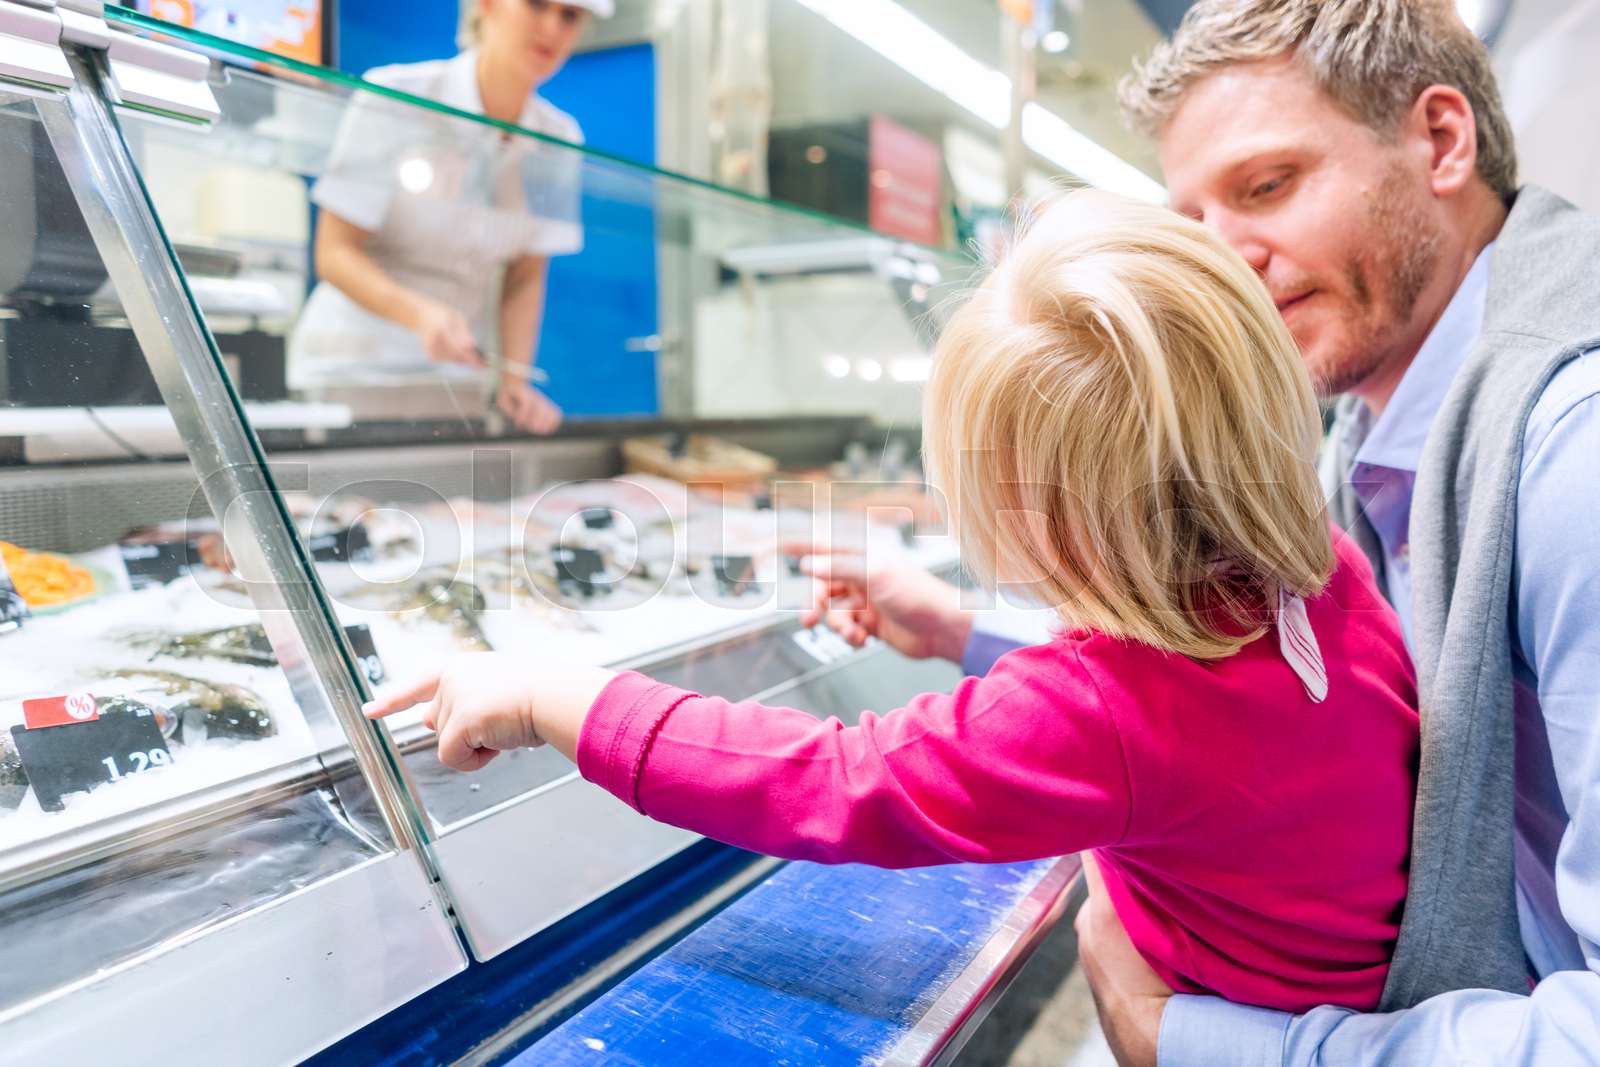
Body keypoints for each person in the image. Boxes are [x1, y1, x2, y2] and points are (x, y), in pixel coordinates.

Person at [368, 191, 1425, 1015]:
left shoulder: (1099, 714)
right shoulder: (1319, 569)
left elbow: (836, 781)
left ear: (1046, 520)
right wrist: (957, 627)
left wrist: (558, 695)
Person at [1061, 2, 1600, 1065]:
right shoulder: (1363, 442)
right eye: (1194, 225)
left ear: (1440, 141)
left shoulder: (1571, 454)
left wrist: (1201, 1041)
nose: (1220, 268)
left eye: (1266, 187)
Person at [288, 0, 613, 433]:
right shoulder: (395, 95)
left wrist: (513, 378)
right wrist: (421, 315)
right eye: (536, 5)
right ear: (486, 5)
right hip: (354, 373)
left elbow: (526, 275)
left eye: (570, 16)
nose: (552, 28)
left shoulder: (560, 139)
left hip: (456, 386)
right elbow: (334, 253)